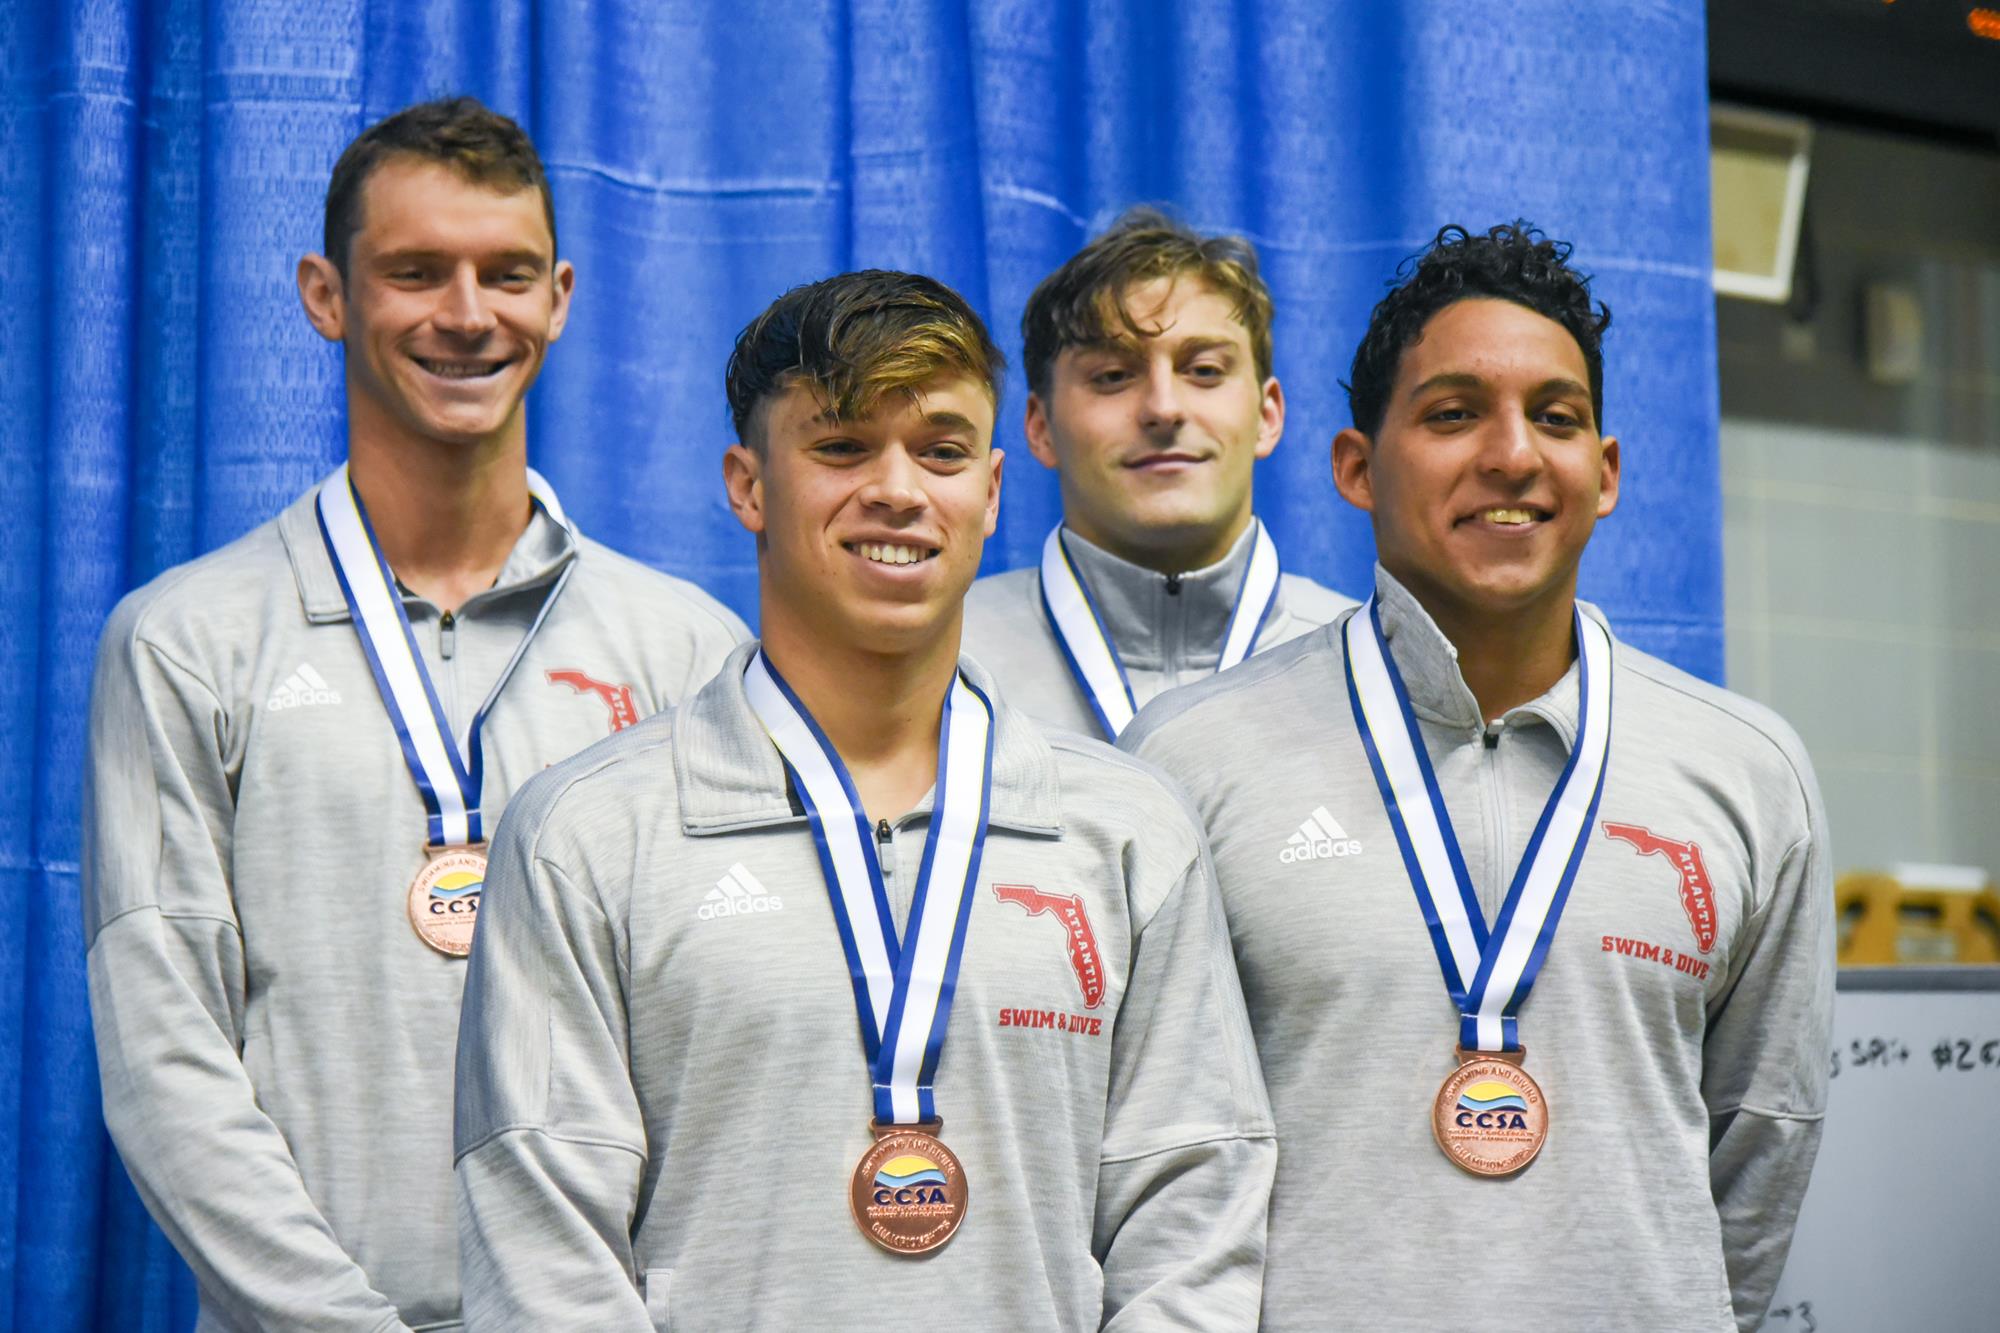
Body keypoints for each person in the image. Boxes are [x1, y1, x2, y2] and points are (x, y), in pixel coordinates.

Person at [452, 270, 1275, 1329]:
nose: (896, 488)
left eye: (937, 451)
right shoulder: (584, 835)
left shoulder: (1126, 833)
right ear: (747, 484)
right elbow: (543, 1259)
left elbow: (1195, 1221)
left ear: (987, 489)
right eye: (840, 447)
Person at [82, 97, 746, 1331]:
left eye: (503, 275)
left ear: (558, 296)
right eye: (413, 272)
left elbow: (724, 1045)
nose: (465, 314)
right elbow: (166, 1055)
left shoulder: (688, 654)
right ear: (326, 296)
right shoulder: (185, 641)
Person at [1122, 222, 1832, 1331]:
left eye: (1553, 417)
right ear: (1355, 467)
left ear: (1601, 475)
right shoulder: (1187, 760)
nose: (1510, 454)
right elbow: (1148, 1157)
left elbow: (1758, 1150)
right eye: (1452, 414)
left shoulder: (1745, 771)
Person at [961, 208, 1354, 738]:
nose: (1164, 408)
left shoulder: (1370, 665)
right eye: (1114, 375)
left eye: (1205, 371)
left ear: (1268, 416)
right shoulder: (947, 664)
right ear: (1039, 427)